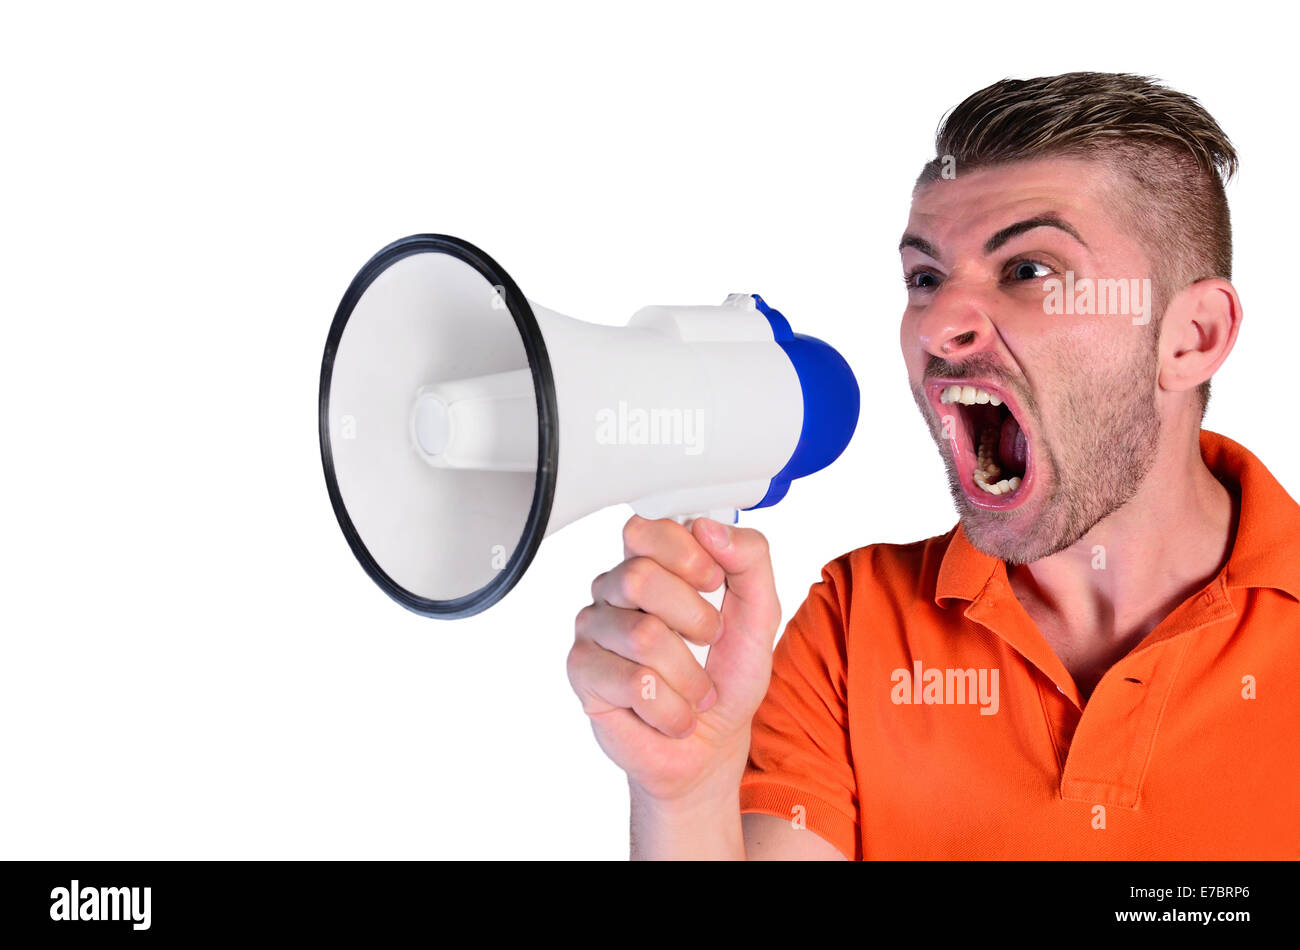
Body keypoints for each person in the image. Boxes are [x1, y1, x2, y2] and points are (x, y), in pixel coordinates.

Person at [566, 72, 1299, 859]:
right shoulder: (854, 628)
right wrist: (685, 791)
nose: (939, 324)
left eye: (1028, 270)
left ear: (1191, 337)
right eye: (925, 278)